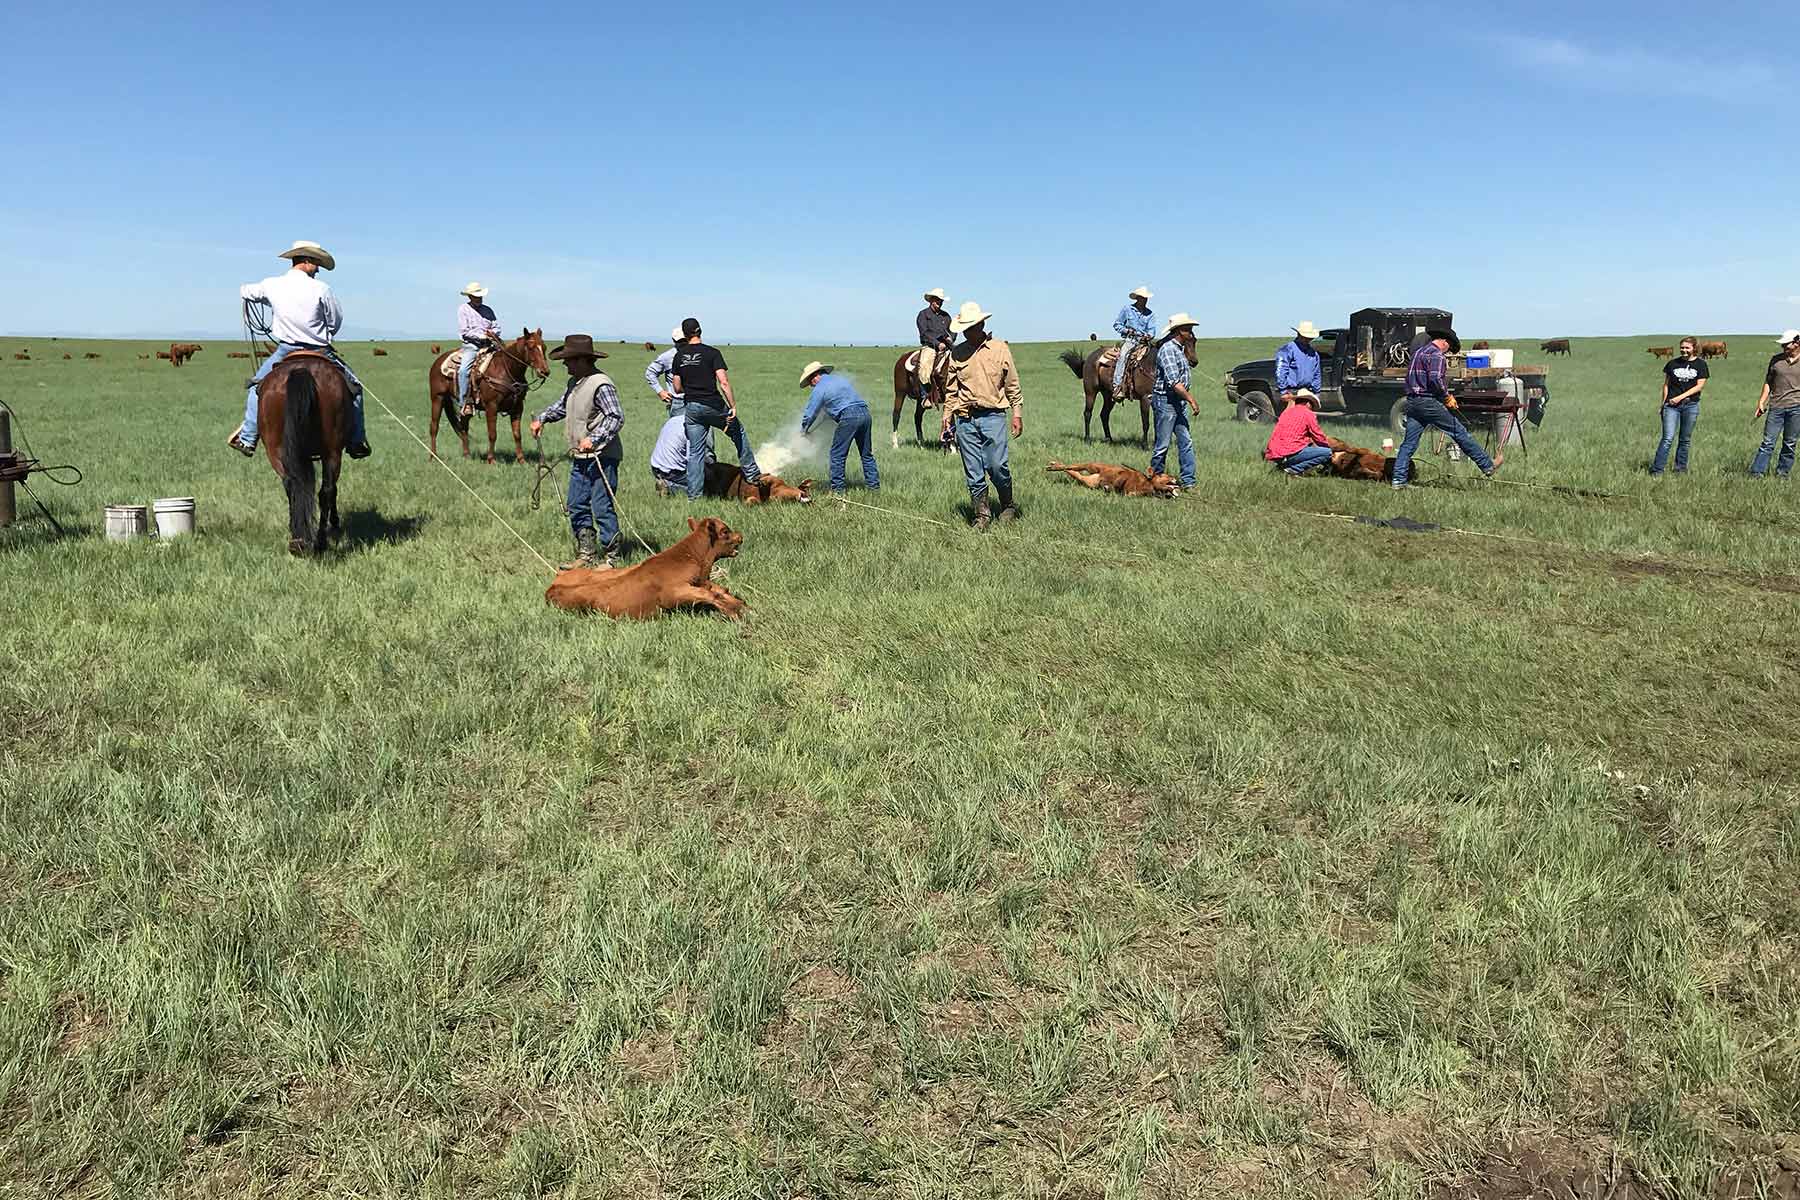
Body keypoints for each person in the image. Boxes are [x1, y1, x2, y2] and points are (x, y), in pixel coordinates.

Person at [228, 240, 369, 459]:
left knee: (257, 388)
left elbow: (245, 291)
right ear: (306, 261)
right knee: (355, 388)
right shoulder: (322, 289)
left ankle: (247, 438)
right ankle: (356, 441)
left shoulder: (272, 285)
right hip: (320, 351)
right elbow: (335, 321)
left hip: (286, 350)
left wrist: (253, 295)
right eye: (316, 263)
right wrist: (324, 332)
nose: (318, 269)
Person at [528, 334, 623, 569]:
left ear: (582, 360)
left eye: (569, 359)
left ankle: (612, 557)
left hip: (603, 456)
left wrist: (595, 438)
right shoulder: (575, 383)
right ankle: (587, 554)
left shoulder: (601, 384)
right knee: (576, 503)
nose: (565, 364)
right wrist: (542, 418)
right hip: (580, 455)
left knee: (601, 505)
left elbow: (616, 416)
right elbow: (562, 407)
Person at [940, 301, 1024, 529]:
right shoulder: (957, 353)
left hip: (993, 415)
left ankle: (1007, 504)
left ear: (982, 324)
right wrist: (946, 418)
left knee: (997, 466)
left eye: (973, 327)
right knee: (973, 470)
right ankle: (982, 515)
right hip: (965, 418)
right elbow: (951, 390)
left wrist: (1017, 413)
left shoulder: (1000, 349)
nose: (969, 332)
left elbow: (1012, 384)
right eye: (966, 328)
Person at [1391, 327, 1501, 489]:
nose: (1448, 352)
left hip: (1412, 401)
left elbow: (1409, 378)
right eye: (1448, 348)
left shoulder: (1417, 353)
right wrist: (1446, 397)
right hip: (1428, 402)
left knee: (1409, 443)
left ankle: (1398, 481)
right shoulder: (1436, 355)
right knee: (1458, 431)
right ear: (1445, 342)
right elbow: (1435, 379)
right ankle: (1487, 465)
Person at [670, 317, 761, 500]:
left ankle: (694, 497)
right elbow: (724, 382)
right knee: (738, 431)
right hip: (713, 405)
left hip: (692, 409)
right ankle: (752, 474)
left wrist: (692, 386)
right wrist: (733, 406)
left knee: (696, 453)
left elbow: (677, 387)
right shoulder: (712, 353)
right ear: (700, 331)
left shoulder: (679, 356)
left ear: (685, 335)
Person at [799, 361, 879, 494]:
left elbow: (810, 413)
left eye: (810, 382)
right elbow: (834, 408)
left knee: (837, 456)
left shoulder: (820, 387)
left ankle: (838, 492)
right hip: (865, 414)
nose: (811, 386)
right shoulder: (839, 380)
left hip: (849, 417)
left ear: (815, 376)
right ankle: (874, 489)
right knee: (866, 455)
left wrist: (804, 430)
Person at [1148, 313, 1201, 492]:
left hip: (1178, 401)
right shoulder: (1168, 350)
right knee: (1162, 444)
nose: (1191, 334)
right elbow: (1174, 382)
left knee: (1185, 441)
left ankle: (1189, 481)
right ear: (1180, 331)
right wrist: (1191, 400)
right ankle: (1154, 481)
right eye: (1189, 330)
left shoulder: (1179, 349)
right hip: (1166, 401)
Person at [1650, 336, 1707, 476]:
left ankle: (1680, 469)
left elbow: (1699, 386)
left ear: (1694, 348)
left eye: (1687, 347)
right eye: (1682, 347)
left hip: (1690, 405)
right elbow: (1666, 385)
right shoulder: (1672, 364)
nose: (1684, 350)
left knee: (1685, 439)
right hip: (1671, 407)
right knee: (1667, 438)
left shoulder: (1701, 365)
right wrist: (1663, 404)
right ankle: (1657, 470)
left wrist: (1679, 398)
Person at [1751, 329, 1800, 479]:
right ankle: (1756, 474)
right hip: (1776, 406)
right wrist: (1761, 402)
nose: (1783, 346)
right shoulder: (1776, 360)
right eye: (1783, 344)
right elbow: (1768, 382)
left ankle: (1782, 474)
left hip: (1796, 408)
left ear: (1797, 342)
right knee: (1768, 442)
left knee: (1790, 443)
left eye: (1787, 343)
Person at [455, 282, 501, 417]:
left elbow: (496, 326)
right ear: (470, 296)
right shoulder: (463, 309)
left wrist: (493, 333)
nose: (479, 298)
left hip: (490, 345)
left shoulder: (488, 310)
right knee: (464, 371)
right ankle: (464, 403)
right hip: (472, 346)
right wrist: (481, 336)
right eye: (476, 296)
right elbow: (464, 331)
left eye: (480, 296)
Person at [1263, 391, 1334, 475]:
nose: (1312, 409)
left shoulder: (1286, 412)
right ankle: (1293, 469)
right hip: (1290, 452)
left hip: (1275, 453)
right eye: (1312, 406)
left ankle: (1283, 466)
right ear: (1308, 403)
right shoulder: (1308, 414)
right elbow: (1318, 437)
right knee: (1328, 453)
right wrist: (1332, 448)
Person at [1111, 286, 1155, 400]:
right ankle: (1118, 386)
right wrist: (1127, 330)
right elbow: (1117, 324)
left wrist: (1149, 335)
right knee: (1123, 356)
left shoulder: (1150, 314)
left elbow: (1152, 330)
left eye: (1146, 298)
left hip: (1144, 342)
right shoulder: (1127, 309)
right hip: (1130, 340)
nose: (1145, 300)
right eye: (1142, 298)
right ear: (1137, 298)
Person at [1276, 321, 1325, 406]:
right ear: (1299, 335)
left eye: (1309, 338)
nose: (1308, 340)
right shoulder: (1287, 350)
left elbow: (1316, 374)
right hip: (1291, 392)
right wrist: (1283, 391)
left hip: (1307, 392)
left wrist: (1316, 393)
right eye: (1305, 337)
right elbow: (1281, 371)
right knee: (1290, 418)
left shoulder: (1314, 354)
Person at [916, 288, 951, 402]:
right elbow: (924, 332)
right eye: (937, 300)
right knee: (925, 367)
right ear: (931, 300)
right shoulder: (923, 315)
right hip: (930, 346)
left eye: (941, 301)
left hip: (947, 346)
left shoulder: (946, 316)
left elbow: (953, 330)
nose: (939, 303)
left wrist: (951, 337)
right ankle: (925, 395)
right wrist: (937, 343)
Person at [649, 412, 689, 496]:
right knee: (701, 488)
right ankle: (670, 488)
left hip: (656, 466)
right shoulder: (693, 429)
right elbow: (694, 461)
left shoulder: (674, 419)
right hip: (673, 472)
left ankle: (663, 481)